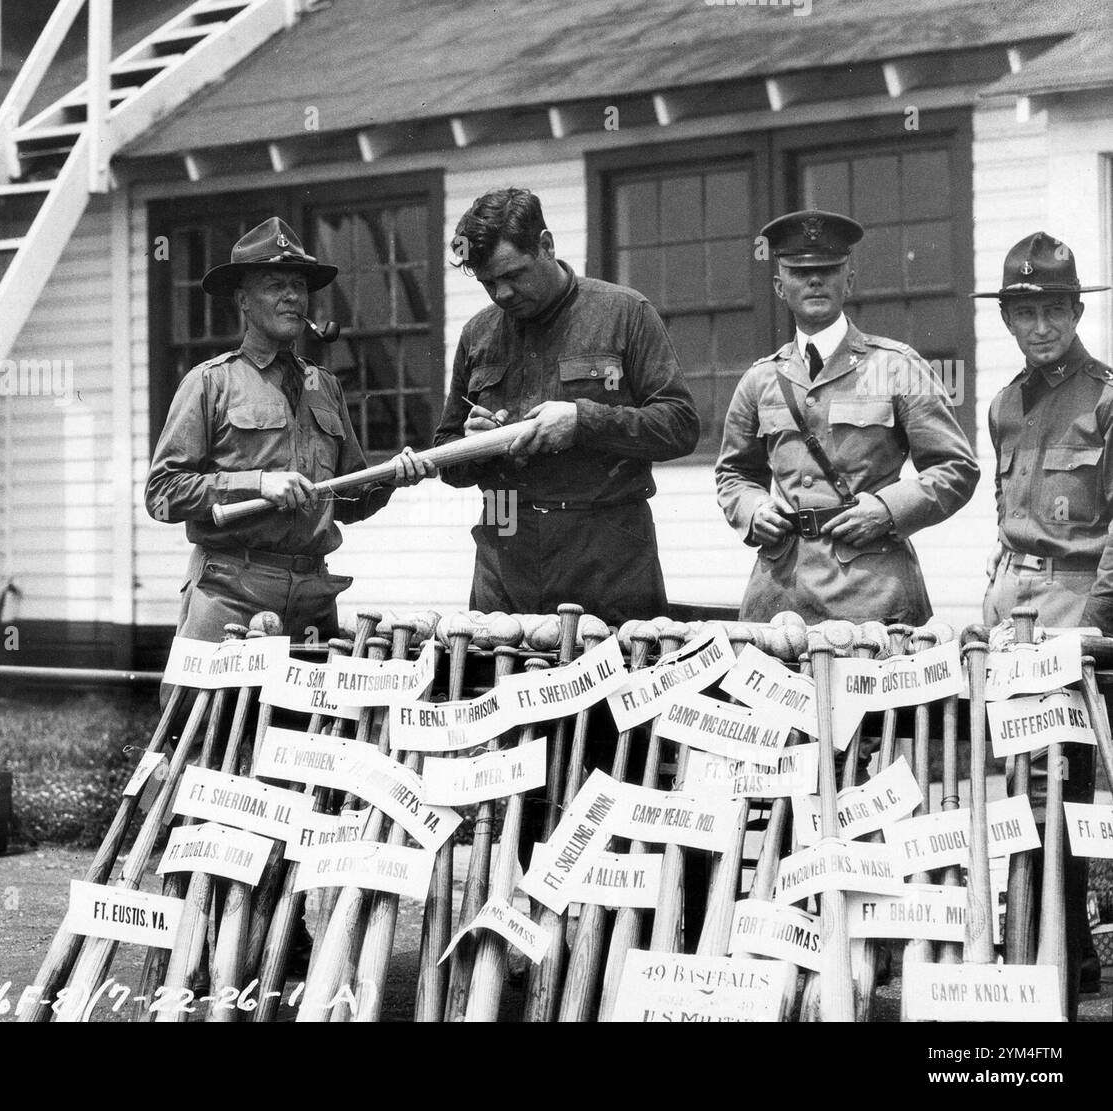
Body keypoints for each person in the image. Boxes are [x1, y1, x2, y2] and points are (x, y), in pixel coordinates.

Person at [146, 216, 433, 645]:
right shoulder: (210, 383)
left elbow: (346, 502)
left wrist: (391, 477)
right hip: (230, 592)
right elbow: (163, 494)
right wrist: (258, 484)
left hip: (312, 598)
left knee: (304, 714)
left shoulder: (326, 386)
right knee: (208, 713)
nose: (291, 297)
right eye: (274, 285)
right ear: (243, 300)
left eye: (298, 286)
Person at [433, 187, 699, 627]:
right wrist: (472, 444)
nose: (502, 293)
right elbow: (446, 454)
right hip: (504, 550)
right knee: (498, 687)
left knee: (607, 692)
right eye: (487, 283)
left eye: (513, 275)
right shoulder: (478, 334)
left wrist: (583, 421)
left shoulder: (625, 313)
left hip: (606, 558)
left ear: (546, 245)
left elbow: (681, 425)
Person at [716, 209, 979, 626]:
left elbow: (956, 468)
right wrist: (753, 510)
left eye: (828, 270)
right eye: (800, 272)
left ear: (849, 281)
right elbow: (733, 474)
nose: (815, 281)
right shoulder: (761, 379)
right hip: (781, 594)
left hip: (871, 593)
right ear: (779, 286)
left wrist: (887, 509)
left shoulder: (896, 367)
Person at [976, 230, 1110, 1003]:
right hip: (1012, 614)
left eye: (1055, 310)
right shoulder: (1002, 405)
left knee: (1066, 787)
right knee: (1013, 786)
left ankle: (1071, 960)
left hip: (1076, 613)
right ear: (1009, 321)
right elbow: (1007, 520)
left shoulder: (1107, 398)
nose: (1042, 327)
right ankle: (1025, 943)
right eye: (1025, 313)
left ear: (1076, 309)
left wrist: (1094, 625)